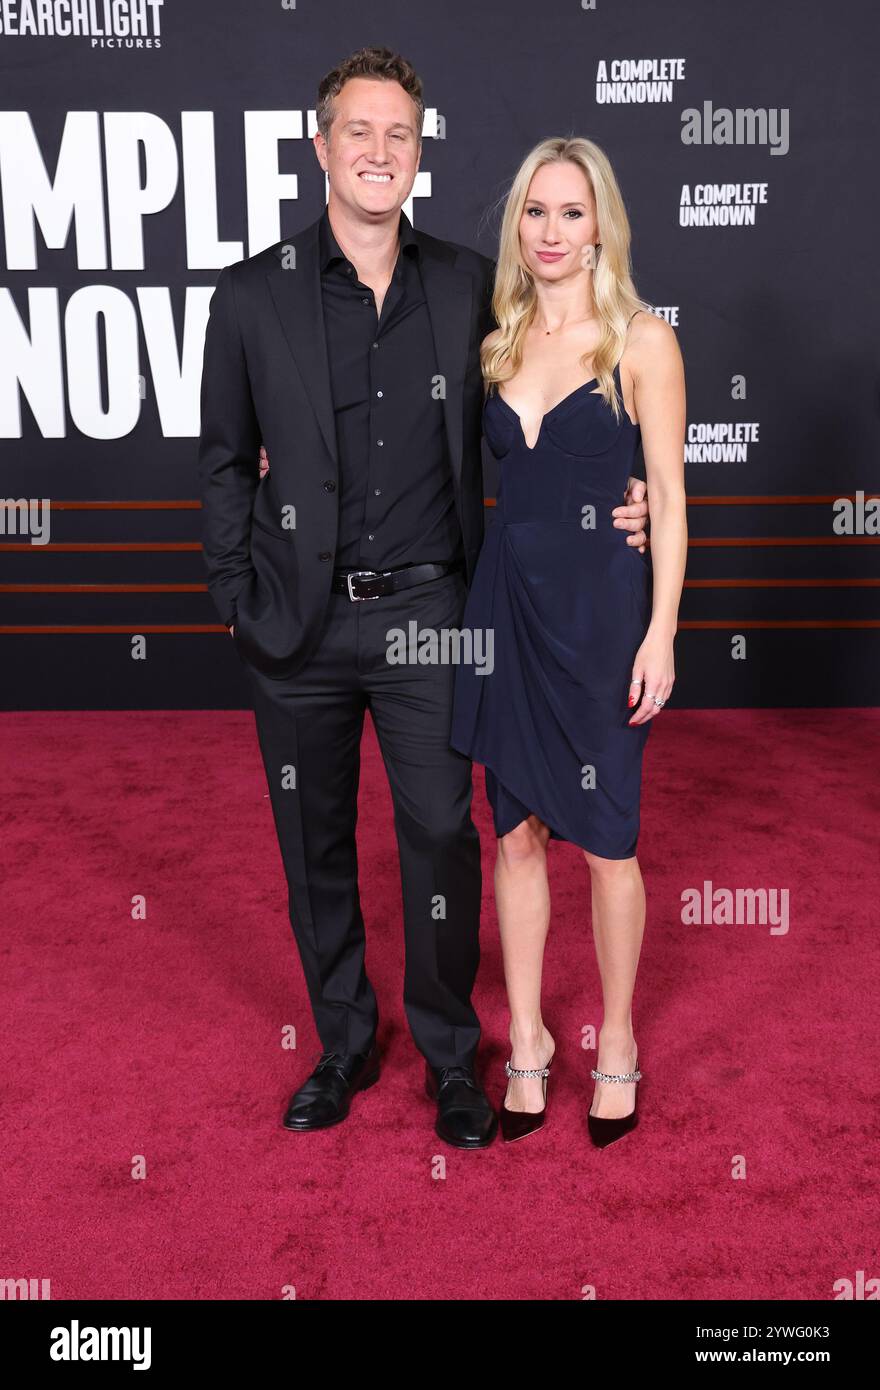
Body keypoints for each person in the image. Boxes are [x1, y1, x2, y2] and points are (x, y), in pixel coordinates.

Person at [198, 49, 650, 1149]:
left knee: (444, 835)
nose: (379, 152)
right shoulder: (250, 295)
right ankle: (345, 1044)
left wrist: (623, 496)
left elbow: (558, 396)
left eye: (399, 135)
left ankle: (454, 1055)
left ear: (418, 153)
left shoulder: (467, 291)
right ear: (320, 147)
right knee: (314, 845)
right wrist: (236, 599)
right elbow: (221, 461)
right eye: (359, 132)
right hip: (294, 623)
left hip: (429, 617)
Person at [450, 137, 687, 1147]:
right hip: (505, 612)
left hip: (600, 621)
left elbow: (669, 499)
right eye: (535, 212)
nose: (550, 231)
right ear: (519, 225)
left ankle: (619, 1041)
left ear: (602, 227)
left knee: (606, 845)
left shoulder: (641, 340)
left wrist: (663, 633)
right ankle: (531, 1042)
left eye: (571, 213)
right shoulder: (496, 339)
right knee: (510, 833)